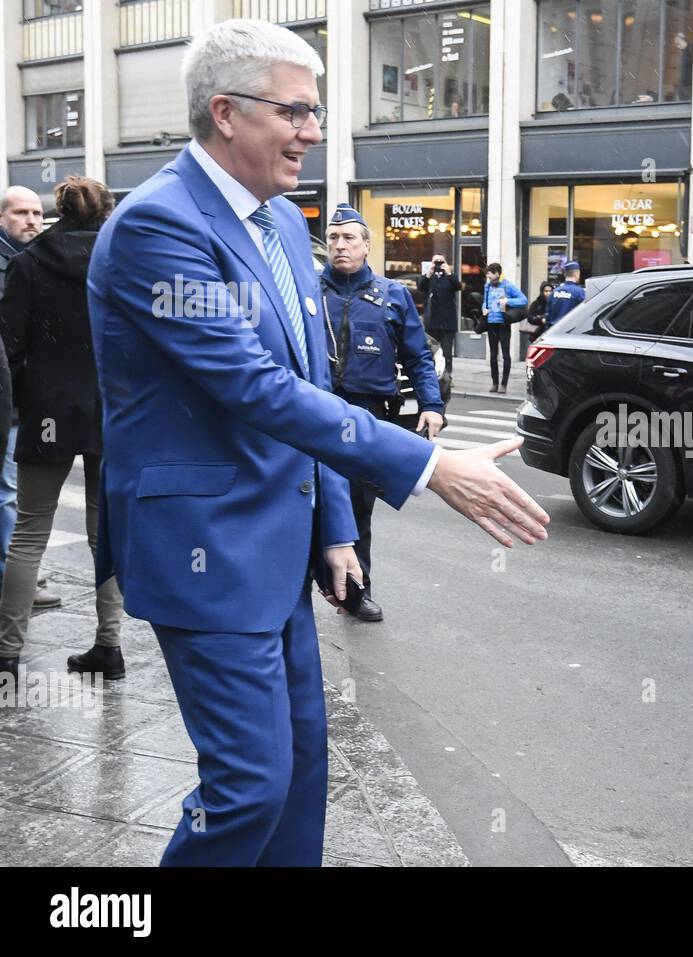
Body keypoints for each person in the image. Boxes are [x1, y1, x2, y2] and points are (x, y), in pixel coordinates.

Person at [87, 20, 548, 866]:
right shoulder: (159, 228)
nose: (314, 130)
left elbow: (313, 385)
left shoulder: (282, 228)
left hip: (283, 548)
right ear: (225, 113)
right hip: (208, 554)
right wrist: (430, 462)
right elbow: (254, 389)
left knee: (300, 780)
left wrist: (334, 524)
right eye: (295, 111)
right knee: (247, 791)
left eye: (316, 111)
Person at [0, 176, 125, 680]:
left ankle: (7, 651)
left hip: (47, 409)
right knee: (105, 536)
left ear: (59, 212)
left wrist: (33, 395)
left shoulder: (29, 263)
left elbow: (10, 345)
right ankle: (108, 647)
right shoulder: (119, 262)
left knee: (28, 533)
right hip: (110, 409)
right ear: (103, 213)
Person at [319, 203, 446, 623]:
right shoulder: (308, 289)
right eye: (334, 238)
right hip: (313, 412)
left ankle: (356, 592)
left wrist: (430, 405)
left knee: (357, 510)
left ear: (367, 245)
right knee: (298, 503)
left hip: (367, 416)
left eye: (349, 237)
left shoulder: (394, 294)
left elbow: (418, 356)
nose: (340, 245)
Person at [0, 186, 60, 611]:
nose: (32, 220)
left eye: (38, 213)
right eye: (21, 212)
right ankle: (12, 581)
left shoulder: (36, 260)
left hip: (24, 396)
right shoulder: (11, 265)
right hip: (8, 399)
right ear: (3, 218)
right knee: (7, 491)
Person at [481, 262, 526, 394]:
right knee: (493, 355)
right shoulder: (487, 286)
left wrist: (508, 301)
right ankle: (494, 383)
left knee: (506, 354)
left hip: (503, 324)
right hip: (491, 323)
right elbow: (485, 301)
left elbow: (523, 300)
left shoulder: (508, 285)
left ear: (497, 274)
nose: (489, 278)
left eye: (490, 275)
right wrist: (484, 308)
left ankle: (504, 384)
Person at [420, 252, 460, 374]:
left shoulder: (449, 277)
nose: (438, 264)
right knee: (432, 350)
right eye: (435, 262)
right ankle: (432, 374)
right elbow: (421, 287)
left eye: (440, 262)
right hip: (432, 321)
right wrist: (429, 272)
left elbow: (457, 286)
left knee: (447, 352)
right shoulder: (430, 277)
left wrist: (449, 272)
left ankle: (447, 375)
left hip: (447, 321)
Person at [546, 260, 586, 329]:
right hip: (569, 333)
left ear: (565, 274)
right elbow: (584, 314)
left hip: (553, 331)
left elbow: (548, 316)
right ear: (577, 273)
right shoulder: (580, 292)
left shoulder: (554, 292)